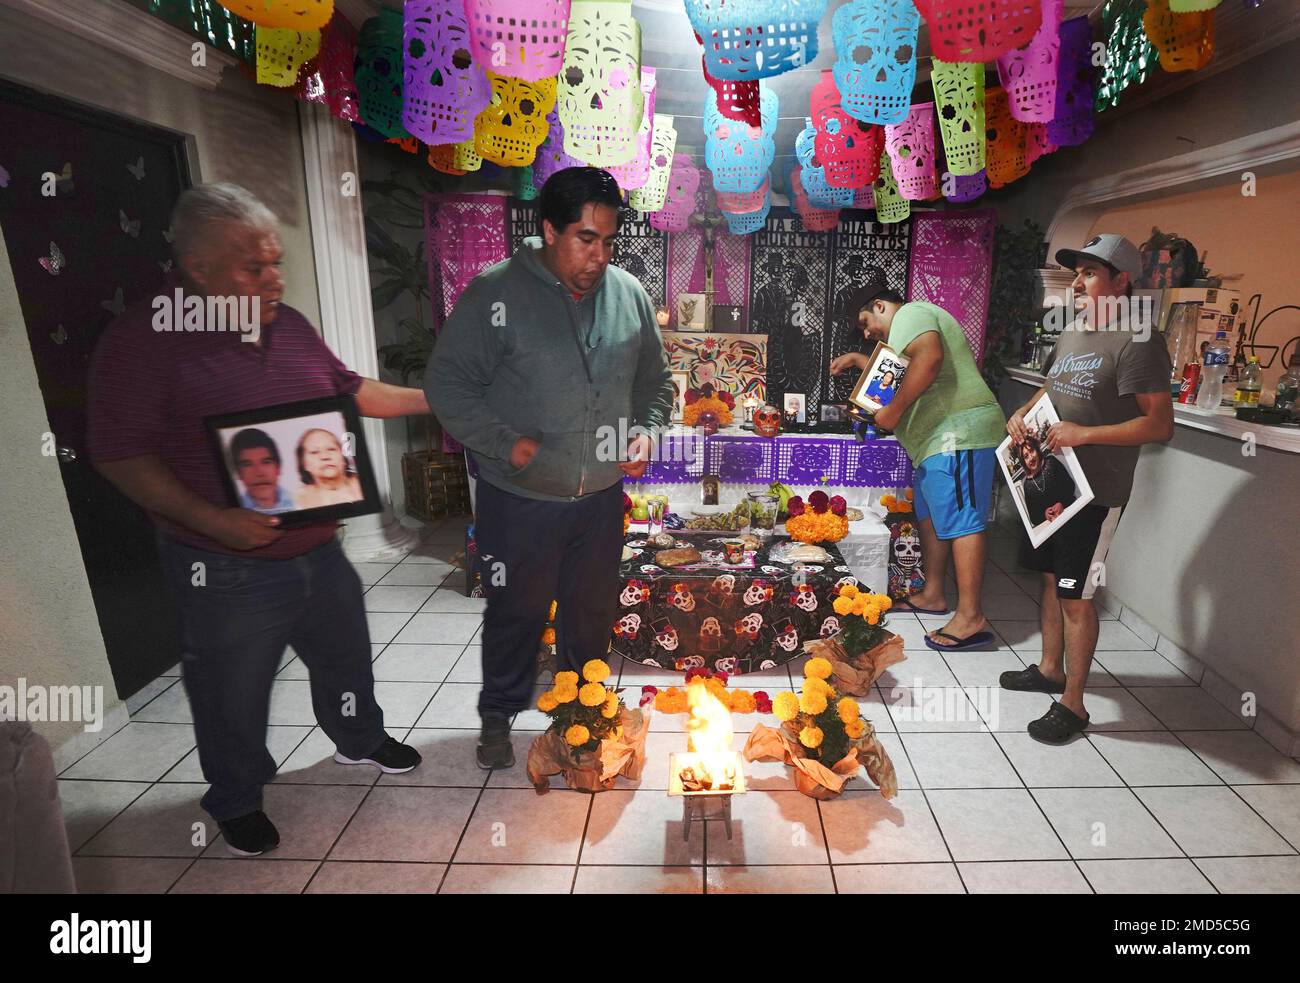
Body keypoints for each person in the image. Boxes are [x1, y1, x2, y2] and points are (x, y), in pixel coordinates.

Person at [87, 183, 428, 857]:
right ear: (198, 269)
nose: (276, 279)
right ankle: (236, 797)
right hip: (224, 564)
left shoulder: (288, 323)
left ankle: (358, 739)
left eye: (276, 263)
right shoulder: (143, 340)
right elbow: (120, 455)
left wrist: (439, 399)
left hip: (318, 548)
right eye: (256, 267)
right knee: (231, 691)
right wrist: (214, 519)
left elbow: (354, 391)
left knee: (346, 659)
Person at [425, 167, 674, 771]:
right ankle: (498, 712)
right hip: (520, 497)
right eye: (584, 239)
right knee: (516, 609)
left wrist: (643, 431)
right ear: (548, 229)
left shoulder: (629, 295)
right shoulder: (496, 293)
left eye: (608, 241)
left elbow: (656, 385)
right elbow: (447, 385)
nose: (598, 255)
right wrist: (503, 443)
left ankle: (582, 717)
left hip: (599, 499)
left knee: (589, 614)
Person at [1000, 234, 1174, 743]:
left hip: (1097, 493)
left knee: (1078, 596)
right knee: (1053, 580)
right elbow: (1055, 385)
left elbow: (1159, 424)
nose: (1078, 283)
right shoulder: (1077, 327)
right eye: (1077, 274)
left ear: (1121, 281)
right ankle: (1050, 669)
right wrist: (1024, 412)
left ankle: (1073, 705)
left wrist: (1086, 434)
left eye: (1091, 274)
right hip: (1053, 481)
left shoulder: (1140, 339)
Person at [830, 277, 1005, 651]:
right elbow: (899, 372)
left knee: (961, 521)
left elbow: (929, 358)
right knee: (929, 515)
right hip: (934, 441)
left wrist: (892, 412)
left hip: (959, 433)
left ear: (880, 306)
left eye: (865, 323)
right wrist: (863, 363)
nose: (866, 335)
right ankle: (934, 594)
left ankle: (971, 614)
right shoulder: (901, 333)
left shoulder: (910, 312)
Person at [1016, 431, 1076, 525]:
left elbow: (1070, 486)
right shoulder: (1027, 485)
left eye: (1031, 451)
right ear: (1024, 462)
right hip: (1054, 526)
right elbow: (1034, 517)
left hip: (1072, 512)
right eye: (1026, 457)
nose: (1031, 458)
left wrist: (1061, 503)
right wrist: (1045, 514)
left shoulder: (1051, 462)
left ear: (1037, 449)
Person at [294, 427, 362, 508]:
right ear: (304, 463)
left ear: (343, 457)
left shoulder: (362, 487)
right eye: (314, 452)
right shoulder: (299, 500)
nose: (325, 456)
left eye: (331, 449)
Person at [230, 428, 293, 514]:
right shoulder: (234, 512)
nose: (259, 473)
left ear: (278, 468)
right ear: (239, 473)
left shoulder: (299, 502)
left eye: (266, 462)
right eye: (247, 465)